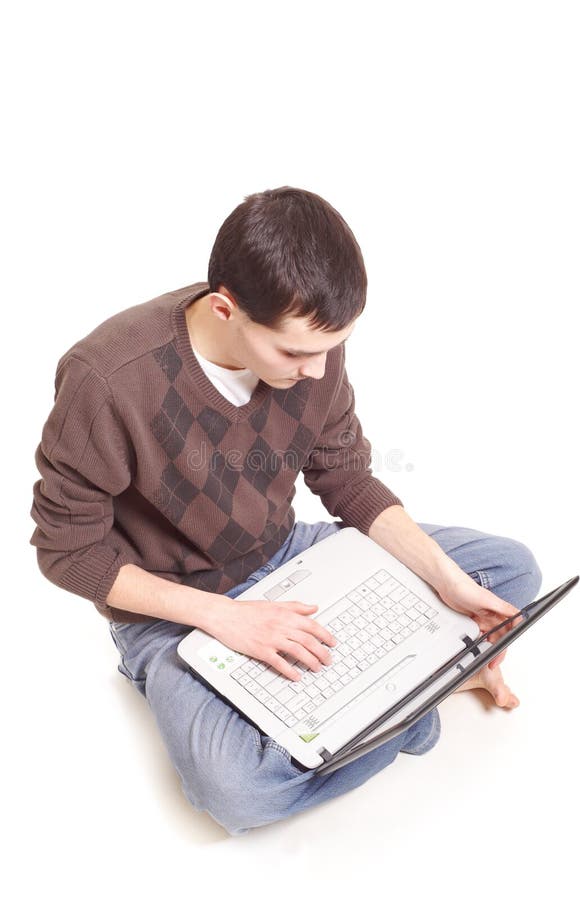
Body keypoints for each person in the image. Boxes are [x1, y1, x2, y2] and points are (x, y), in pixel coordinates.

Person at [29, 186, 542, 836]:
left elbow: (345, 477)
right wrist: (226, 619)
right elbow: (67, 552)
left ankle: (368, 701)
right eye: (295, 354)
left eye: (332, 347)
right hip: (172, 608)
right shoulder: (107, 379)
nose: (317, 369)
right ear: (224, 308)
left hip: (285, 553)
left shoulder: (312, 347)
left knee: (508, 571)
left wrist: (444, 580)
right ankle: (410, 701)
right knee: (236, 792)